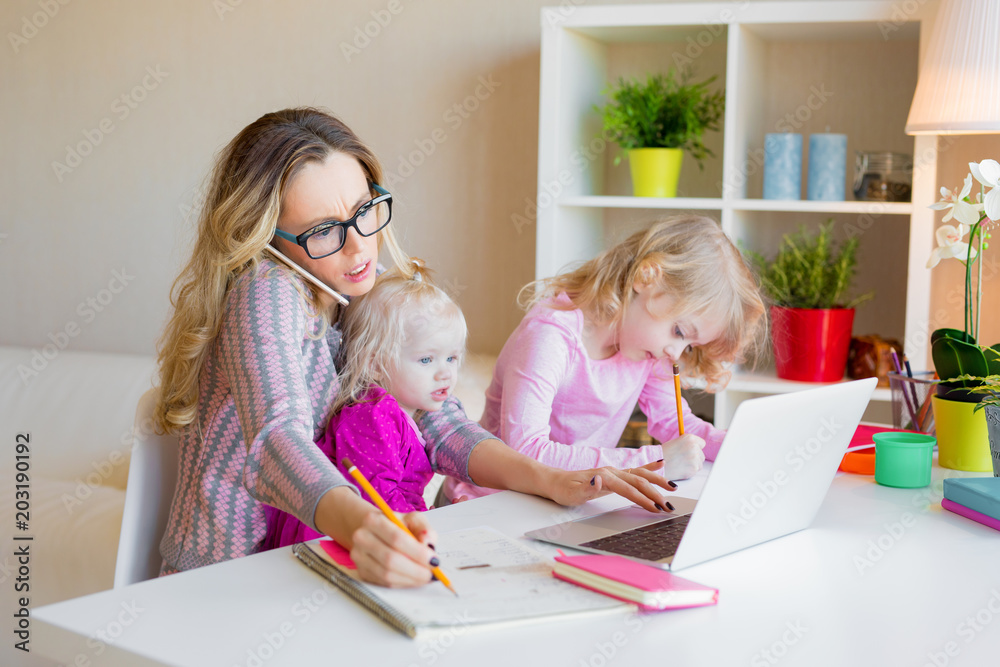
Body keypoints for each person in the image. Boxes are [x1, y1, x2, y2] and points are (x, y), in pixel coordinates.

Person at [153, 107, 671, 588]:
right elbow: (276, 439)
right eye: (323, 232)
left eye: (364, 211)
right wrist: (364, 527)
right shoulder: (265, 290)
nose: (359, 246)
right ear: (266, 239)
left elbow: (436, 419)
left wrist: (551, 479)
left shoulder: (358, 284)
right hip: (226, 580)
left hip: (307, 564)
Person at [444, 215, 767, 503]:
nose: (676, 353)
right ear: (646, 279)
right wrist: (653, 462)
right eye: (680, 331)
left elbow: (676, 424)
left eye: (690, 346)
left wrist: (740, 445)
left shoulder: (647, 349)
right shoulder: (551, 335)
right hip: (487, 502)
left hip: (568, 501)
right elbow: (525, 452)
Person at [262, 264, 468, 549]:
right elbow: (378, 499)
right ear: (375, 364)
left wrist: (434, 519)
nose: (445, 373)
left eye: (451, 358)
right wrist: (428, 526)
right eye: (426, 360)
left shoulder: (403, 415)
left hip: (374, 532)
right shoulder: (373, 415)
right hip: (325, 541)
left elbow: (401, 498)